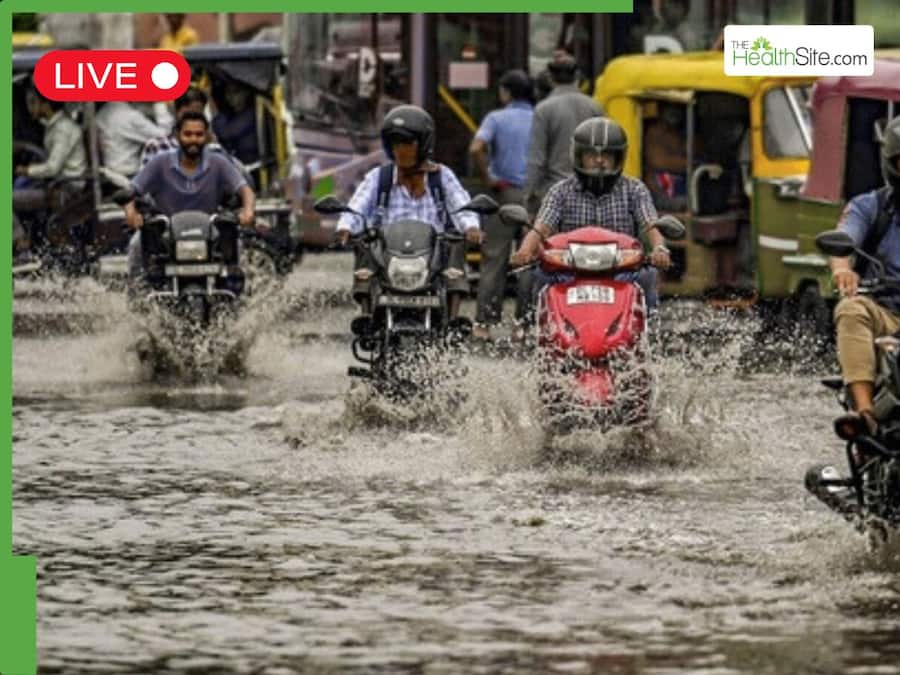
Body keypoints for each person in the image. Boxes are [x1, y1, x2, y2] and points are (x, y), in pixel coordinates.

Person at [511, 117, 672, 315]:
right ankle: (531, 331)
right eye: (591, 155)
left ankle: (649, 334)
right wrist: (525, 250)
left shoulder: (635, 189)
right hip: (568, 270)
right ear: (578, 156)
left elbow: (651, 223)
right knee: (534, 277)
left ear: (618, 158)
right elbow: (542, 226)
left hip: (620, 269)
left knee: (648, 277)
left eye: (607, 155)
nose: (599, 160)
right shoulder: (560, 191)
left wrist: (660, 248)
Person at [335, 104, 481, 321]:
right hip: (387, 257)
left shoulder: (442, 176)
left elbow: (462, 205)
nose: (401, 149)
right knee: (364, 244)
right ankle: (366, 316)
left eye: (407, 143)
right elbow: (357, 205)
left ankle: (452, 321)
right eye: (395, 143)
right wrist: (345, 227)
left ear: (422, 145)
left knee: (455, 246)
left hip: (433, 258)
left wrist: (471, 227)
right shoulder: (379, 177)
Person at [124, 111, 256, 284]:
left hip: (209, 231)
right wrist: (131, 214)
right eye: (188, 134)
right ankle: (137, 302)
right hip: (165, 232)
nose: (193, 139)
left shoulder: (219, 162)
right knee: (136, 245)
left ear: (207, 136)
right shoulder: (159, 162)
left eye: (199, 135)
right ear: (178, 136)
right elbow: (130, 192)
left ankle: (239, 301)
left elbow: (245, 190)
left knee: (237, 250)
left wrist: (248, 211)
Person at [829, 115, 900, 435]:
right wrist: (843, 271)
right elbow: (844, 239)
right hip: (887, 314)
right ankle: (865, 414)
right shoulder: (870, 206)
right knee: (851, 309)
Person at [468, 69, 534, 341]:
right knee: (529, 260)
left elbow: (476, 148)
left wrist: (489, 179)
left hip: (503, 195)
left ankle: (484, 324)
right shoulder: (539, 119)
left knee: (494, 258)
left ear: (506, 92)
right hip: (533, 198)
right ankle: (523, 325)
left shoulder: (496, 118)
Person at [523, 53, 604, 217]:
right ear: (577, 77)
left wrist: (528, 197)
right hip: (591, 194)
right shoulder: (595, 107)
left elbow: (536, 160)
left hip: (554, 196)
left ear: (551, 79)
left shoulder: (544, 109)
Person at [13, 87, 87, 253]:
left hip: (66, 188)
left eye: (33, 103)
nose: (30, 108)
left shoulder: (63, 129)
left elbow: (53, 167)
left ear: (46, 105)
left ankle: (21, 243)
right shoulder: (53, 126)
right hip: (57, 184)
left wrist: (27, 171)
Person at [96, 102, 167, 178]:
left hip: (110, 165)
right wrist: (160, 105)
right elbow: (164, 138)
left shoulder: (106, 108)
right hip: (129, 171)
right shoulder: (130, 116)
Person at [140, 87, 209, 166]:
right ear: (176, 113)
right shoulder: (156, 146)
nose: (191, 120)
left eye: (197, 115)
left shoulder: (211, 149)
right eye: (187, 115)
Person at [642, 102, 689, 212]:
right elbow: (658, 161)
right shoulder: (654, 131)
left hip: (680, 188)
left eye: (678, 107)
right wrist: (687, 163)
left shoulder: (678, 133)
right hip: (659, 192)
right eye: (670, 107)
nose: (675, 112)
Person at [211, 80, 261, 167]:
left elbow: (225, 133)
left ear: (246, 93)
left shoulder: (251, 114)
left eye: (236, 92)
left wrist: (210, 100)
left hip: (252, 165)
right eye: (228, 92)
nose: (230, 96)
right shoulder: (231, 114)